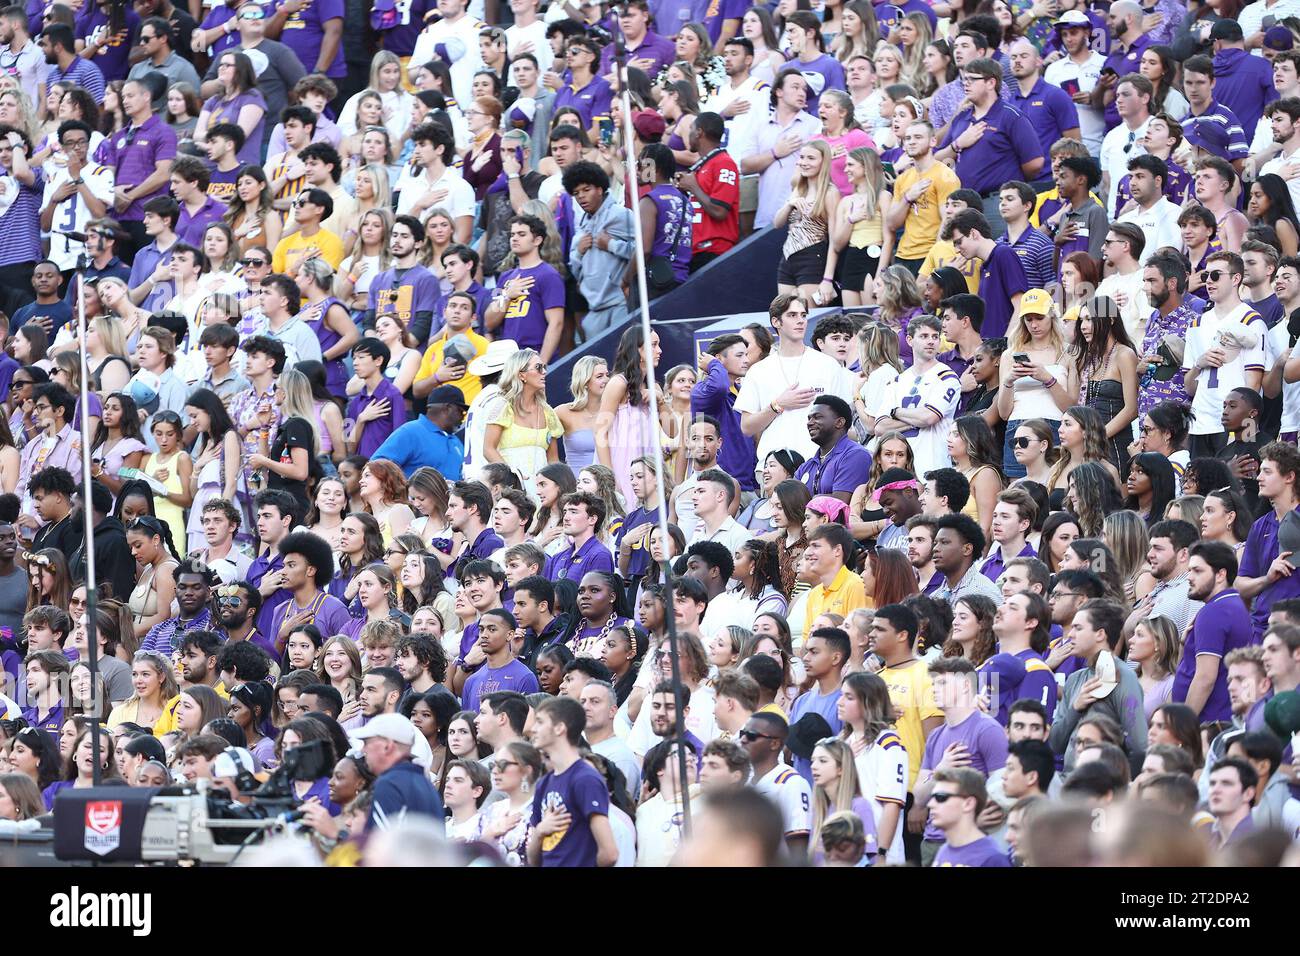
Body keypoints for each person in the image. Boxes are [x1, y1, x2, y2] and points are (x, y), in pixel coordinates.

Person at [934, 57, 1044, 235]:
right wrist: (957, 145)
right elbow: (938, 162)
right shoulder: (962, 118)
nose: (965, 84)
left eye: (972, 79)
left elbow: (1035, 163)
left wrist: (1009, 182)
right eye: (964, 79)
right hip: (964, 205)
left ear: (991, 82)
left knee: (999, 256)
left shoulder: (1011, 116)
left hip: (997, 203)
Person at [1184, 251, 1267, 457]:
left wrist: (1245, 432)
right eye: (1205, 276)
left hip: (1233, 425)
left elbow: (1253, 385)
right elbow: (1189, 387)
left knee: (1232, 486)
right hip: (1201, 423)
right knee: (1198, 486)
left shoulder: (1250, 320)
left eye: (1216, 275)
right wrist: (1199, 364)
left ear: (1236, 278)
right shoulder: (1196, 323)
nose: (1209, 282)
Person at [1050, 599, 1148, 770]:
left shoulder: (1125, 677)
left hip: (1104, 788)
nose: (1070, 634)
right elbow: (1056, 744)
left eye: (1078, 628)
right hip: (1068, 785)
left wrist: (1120, 784)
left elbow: (1139, 747)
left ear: (1100, 634)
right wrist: (1076, 708)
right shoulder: (1074, 679)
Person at [526, 695, 618, 867]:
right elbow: (533, 859)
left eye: (539, 722)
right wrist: (539, 832)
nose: (533, 729)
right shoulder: (544, 783)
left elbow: (610, 853)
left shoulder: (585, 779)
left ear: (559, 728)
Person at [563, 161, 633, 340]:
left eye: (586, 190)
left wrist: (611, 245)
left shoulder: (620, 214)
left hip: (620, 304)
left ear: (600, 189)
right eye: (576, 193)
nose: (581, 197)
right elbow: (575, 268)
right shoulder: (581, 227)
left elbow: (641, 252)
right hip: (593, 308)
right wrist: (578, 252)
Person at [355, 713, 444, 833]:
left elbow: (381, 846)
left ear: (387, 746)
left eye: (366, 743)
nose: (362, 750)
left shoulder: (389, 784)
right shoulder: (425, 783)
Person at [929, 767, 1012, 866]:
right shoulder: (943, 852)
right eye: (932, 797)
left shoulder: (992, 858)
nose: (930, 804)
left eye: (941, 797)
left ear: (968, 803)